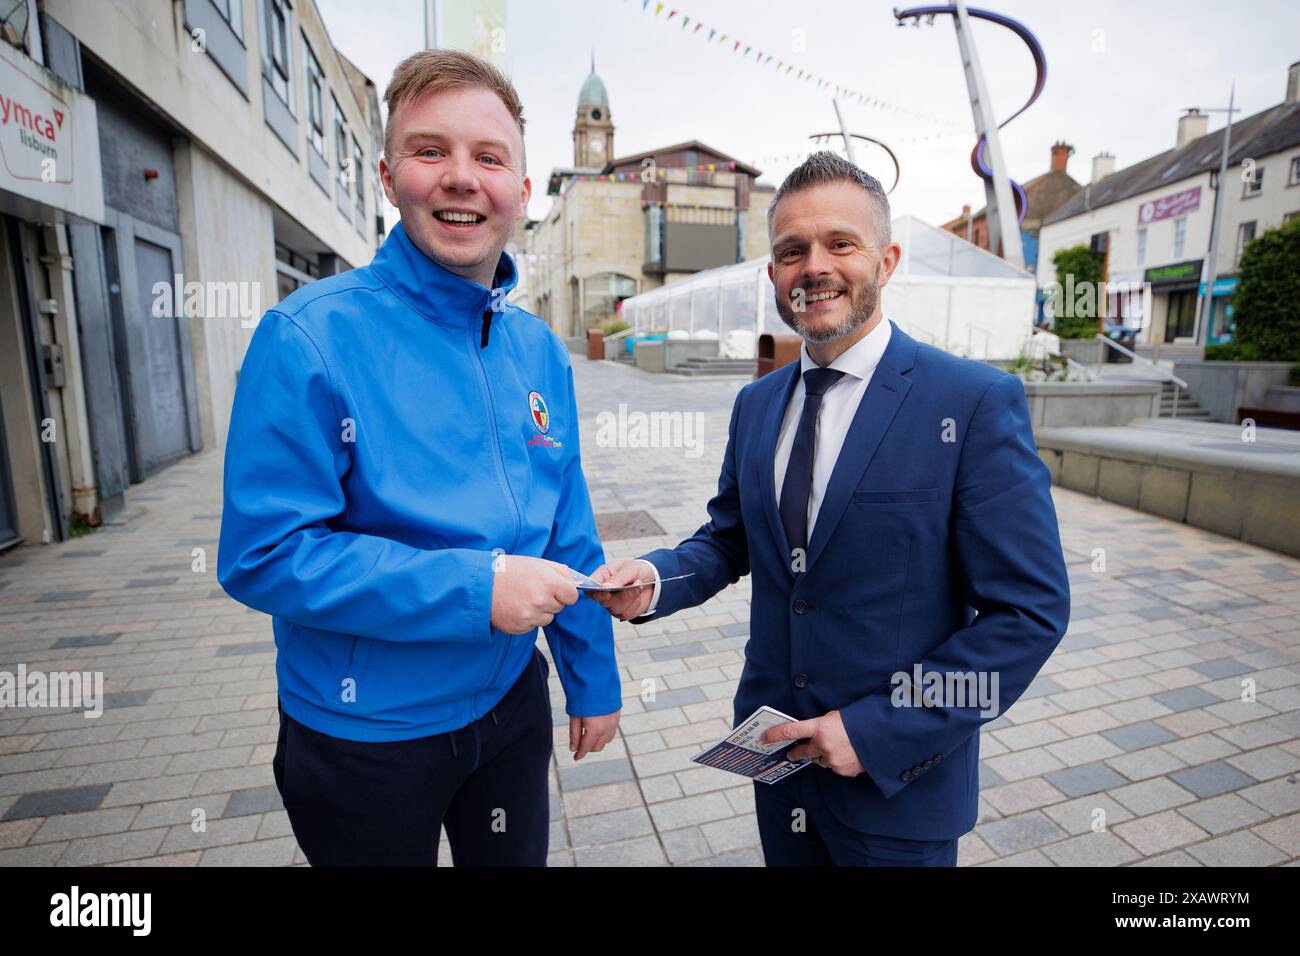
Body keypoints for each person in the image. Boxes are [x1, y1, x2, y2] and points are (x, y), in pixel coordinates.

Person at [592, 151, 1070, 867]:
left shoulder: (969, 403)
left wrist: (878, 728)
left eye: (839, 244)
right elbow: (729, 541)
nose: (813, 266)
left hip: (895, 791)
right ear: (773, 274)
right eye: (791, 251)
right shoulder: (757, 405)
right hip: (777, 768)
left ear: (887, 259)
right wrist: (655, 581)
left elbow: (1028, 613)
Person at [217, 50, 621, 867]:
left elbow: (567, 533)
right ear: (388, 174)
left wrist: (593, 677)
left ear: (522, 188)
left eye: (489, 157)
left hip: (510, 708)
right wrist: (477, 590)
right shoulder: (308, 337)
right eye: (431, 151)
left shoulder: (538, 349)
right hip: (365, 734)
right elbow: (264, 556)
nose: (461, 178)